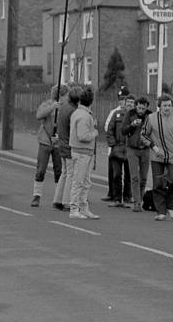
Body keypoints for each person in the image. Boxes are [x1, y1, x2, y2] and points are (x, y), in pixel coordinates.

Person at [141, 94, 173, 221]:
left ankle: (171, 207)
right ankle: (161, 211)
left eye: (169, 105)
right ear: (159, 106)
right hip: (157, 156)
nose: (167, 108)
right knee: (158, 183)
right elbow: (143, 135)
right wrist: (153, 147)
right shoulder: (151, 118)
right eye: (165, 105)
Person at [31, 84, 67, 207]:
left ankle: (58, 198)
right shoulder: (47, 104)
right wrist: (53, 107)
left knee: (59, 171)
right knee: (40, 170)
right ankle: (36, 196)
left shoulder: (65, 108)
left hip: (58, 142)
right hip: (45, 141)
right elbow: (39, 115)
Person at [68, 86, 100, 220]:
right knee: (79, 181)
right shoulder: (85, 116)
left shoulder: (78, 113)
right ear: (91, 101)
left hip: (80, 152)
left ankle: (83, 207)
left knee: (85, 181)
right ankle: (74, 208)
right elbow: (83, 136)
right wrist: (95, 132)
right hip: (82, 152)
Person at [53, 85, 80, 211]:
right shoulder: (74, 111)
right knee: (70, 174)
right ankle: (67, 201)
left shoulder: (63, 108)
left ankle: (58, 199)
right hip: (69, 145)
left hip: (61, 144)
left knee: (64, 173)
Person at [122, 97, 152, 212]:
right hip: (132, 149)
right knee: (135, 177)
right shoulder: (130, 114)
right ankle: (137, 202)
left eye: (143, 108)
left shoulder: (150, 116)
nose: (141, 110)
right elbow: (123, 130)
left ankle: (140, 197)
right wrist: (132, 125)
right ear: (136, 106)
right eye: (139, 107)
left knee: (143, 178)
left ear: (146, 107)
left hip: (145, 149)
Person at [105, 90, 133, 207]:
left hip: (130, 150)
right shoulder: (116, 114)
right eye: (128, 102)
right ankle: (117, 198)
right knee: (116, 174)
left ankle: (127, 197)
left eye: (132, 103)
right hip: (117, 149)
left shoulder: (136, 117)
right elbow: (109, 130)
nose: (129, 105)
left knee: (129, 176)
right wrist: (113, 144)